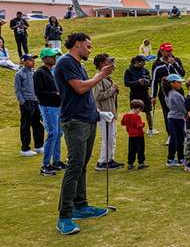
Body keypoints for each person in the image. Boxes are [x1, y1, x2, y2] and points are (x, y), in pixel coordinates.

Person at [53, 32, 114, 235]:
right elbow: (79, 89)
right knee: (75, 166)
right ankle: (64, 217)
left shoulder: (78, 65)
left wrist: (98, 112)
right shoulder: (66, 62)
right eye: (87, 46)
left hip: (88, 119)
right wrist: (101, 75)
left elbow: (86, 94)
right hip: (75, 121)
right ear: (77, 44)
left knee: (82, 166)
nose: (90, 50)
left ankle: (81, 206)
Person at [34, 48, 65, 176]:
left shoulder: (54, 71)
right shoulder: (40, 73)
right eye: (52, 56)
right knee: (52, 133)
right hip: (48, 106)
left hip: (58, 106)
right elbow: (39, 92)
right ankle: (45, 164)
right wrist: (56, 94)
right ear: (44, 58)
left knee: (58, 133)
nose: (54, 58)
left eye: (55, 56)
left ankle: (56, 161)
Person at [93, 54, 124, 171]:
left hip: (109, 112)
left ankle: (109, 159)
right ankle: (102, 162)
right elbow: (98, 96)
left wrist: (115, 90)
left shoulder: (106, 78)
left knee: (112, 137)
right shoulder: (98, 78)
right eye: (108, 62)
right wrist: (113, 89)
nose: (111, 64)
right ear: (101, 64)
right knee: (107, 138)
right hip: (103, 113)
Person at [151, 43, 185, 140]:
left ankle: (183, 132)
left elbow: (182, 74)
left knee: (182, 110)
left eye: (171, 51)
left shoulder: (176, 60)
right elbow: (154, 80)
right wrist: (153, 96)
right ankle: (170, 135)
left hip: (178, 90)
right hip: (164, 92)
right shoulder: (157, 64)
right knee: (167, 113)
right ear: (161, 51)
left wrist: (174, 64)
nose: (170, 53)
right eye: (167, 51)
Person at [15, 53, 44, 158]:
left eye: (33, 60)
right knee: (26, 126)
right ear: (23, 62)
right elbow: (17, 90)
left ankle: (39, 145)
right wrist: (22, 102)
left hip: (36, 101)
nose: (33, 62)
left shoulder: (35, 72)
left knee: (38, 124)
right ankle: (25, 148)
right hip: (26, 102)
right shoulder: (19, 74)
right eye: (30, 60)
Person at [124, 55, 157, 136]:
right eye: (141, 64)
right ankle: (133, 129)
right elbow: (126, 83)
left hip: (145, 93)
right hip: (135, 94)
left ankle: (150, 128)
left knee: (148, 111)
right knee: (134, 112)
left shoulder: (145, 70)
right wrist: (137, 82)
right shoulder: (129, 71)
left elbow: (150, 81)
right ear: (136, 62)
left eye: (143, 64)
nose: (142, 66)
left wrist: (147, 83)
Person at [165, 74, 190, 170]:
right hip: (177, 118)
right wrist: (186, 114)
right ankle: (181, 158)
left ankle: (171, 158)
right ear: (172, 83)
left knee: (173, 137)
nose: (180, 84)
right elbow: (183, 107)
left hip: (171, 118)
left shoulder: (168, 93)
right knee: (179, 138)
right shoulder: (176, 95)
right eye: (178, 82)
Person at [121, 99, 148, 170]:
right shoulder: (137, 117)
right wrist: (143, 123)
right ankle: (141, 163)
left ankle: (130, 163)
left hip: (131, 135)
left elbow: (122, 123)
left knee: (131, 149)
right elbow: (139, 126)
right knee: (140, 149)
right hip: (139, 135)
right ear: (138, 109)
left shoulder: (125, 115)